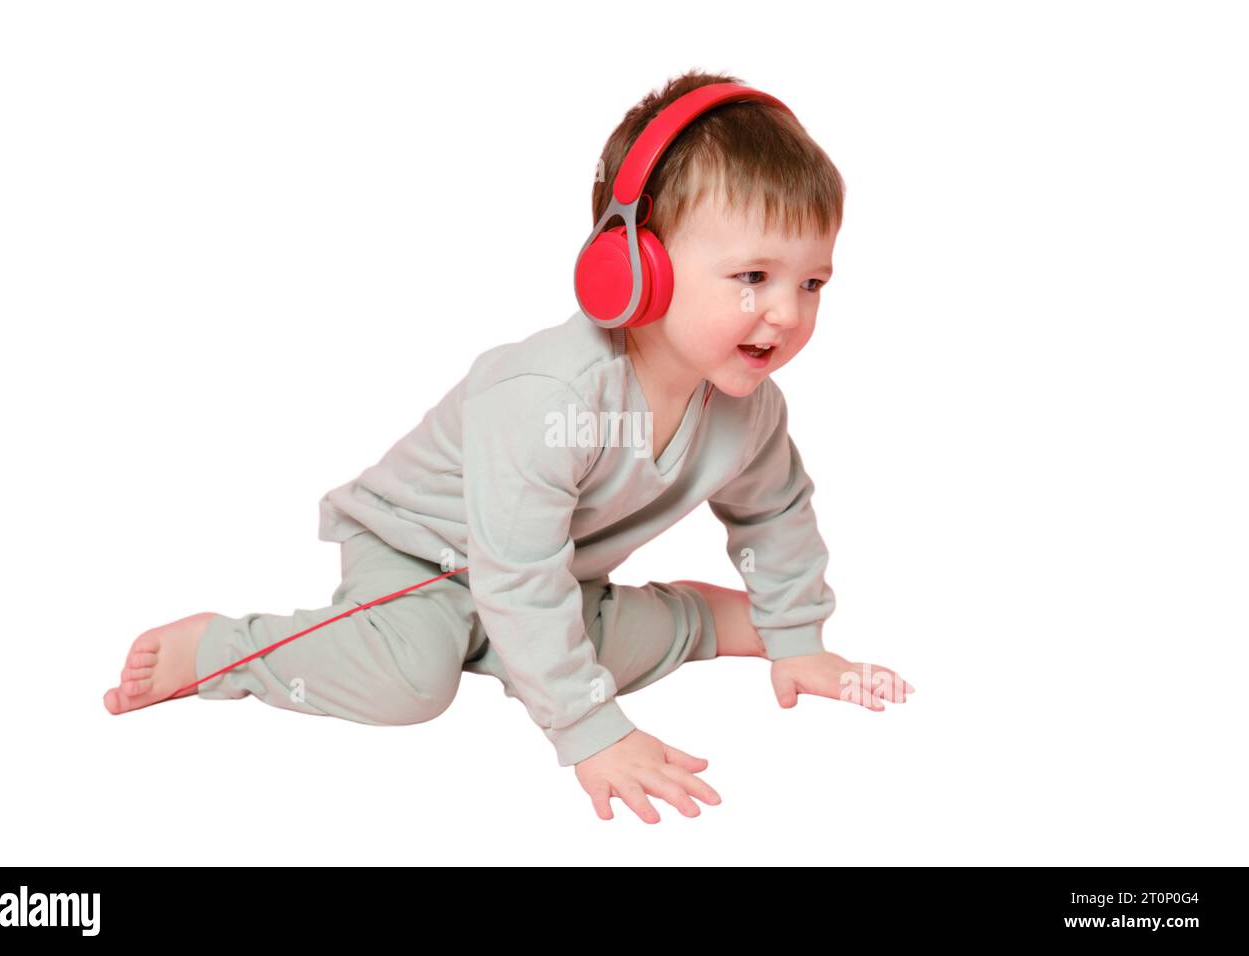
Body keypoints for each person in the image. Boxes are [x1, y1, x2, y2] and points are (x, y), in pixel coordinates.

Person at [103, 68, 914, 823]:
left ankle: (693, 622)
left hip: (540, 575)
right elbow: (518, 578)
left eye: (812, 283)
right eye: (753, 278)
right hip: (426, 557)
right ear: (634, 266)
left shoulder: (750, 409)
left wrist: (798, 633)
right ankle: (226, 649)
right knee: (412, 683)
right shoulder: (550, 397)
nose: (789, 313)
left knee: (584, 643)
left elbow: (777, 512)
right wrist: (591, 730)